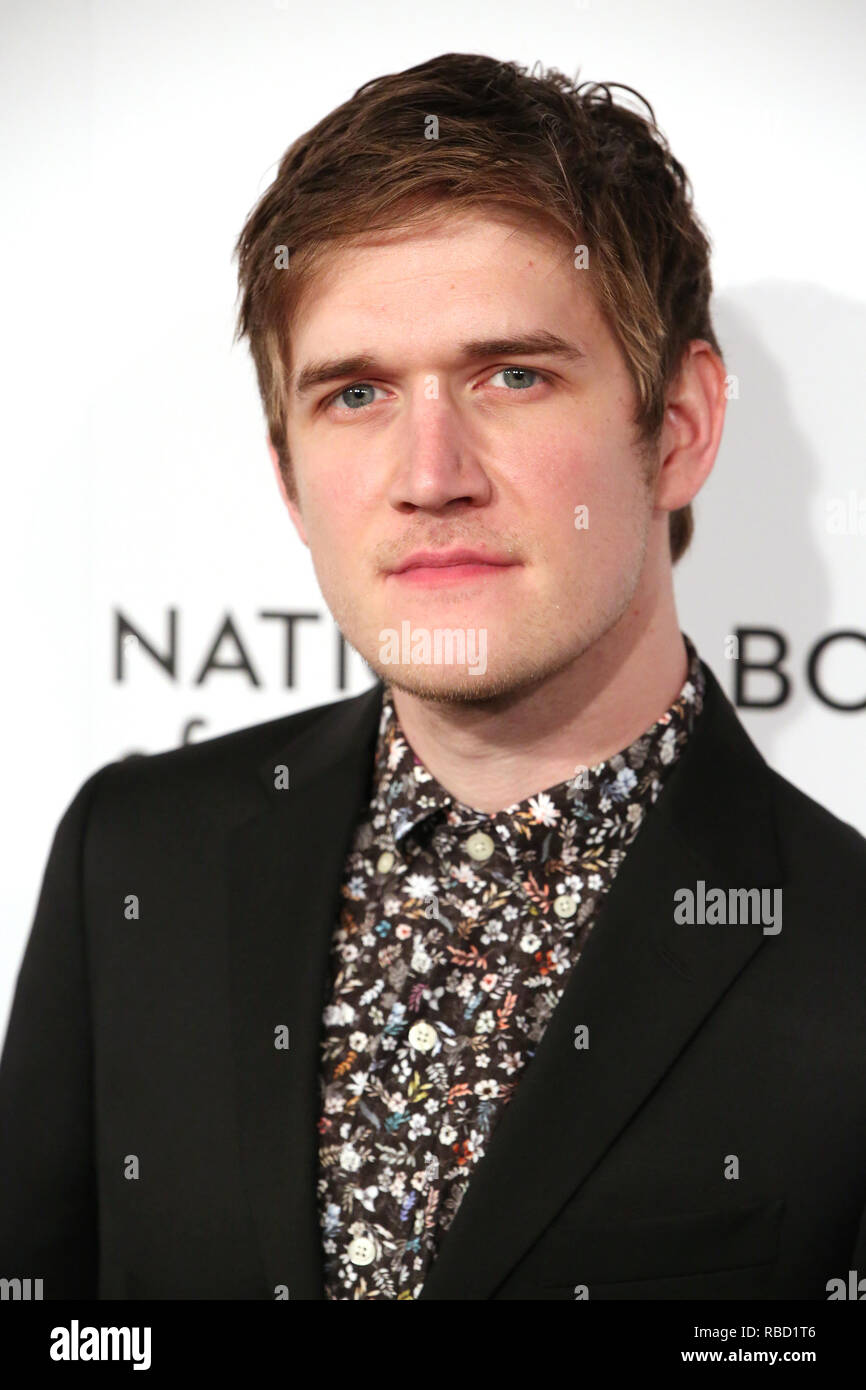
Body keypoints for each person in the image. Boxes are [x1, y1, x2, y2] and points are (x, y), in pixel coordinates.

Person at [2, 51, 865, 1302]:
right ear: (291, 477)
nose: (429, 470)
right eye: (355, 394)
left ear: (675, 427)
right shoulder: (132, 862)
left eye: (509, 374)